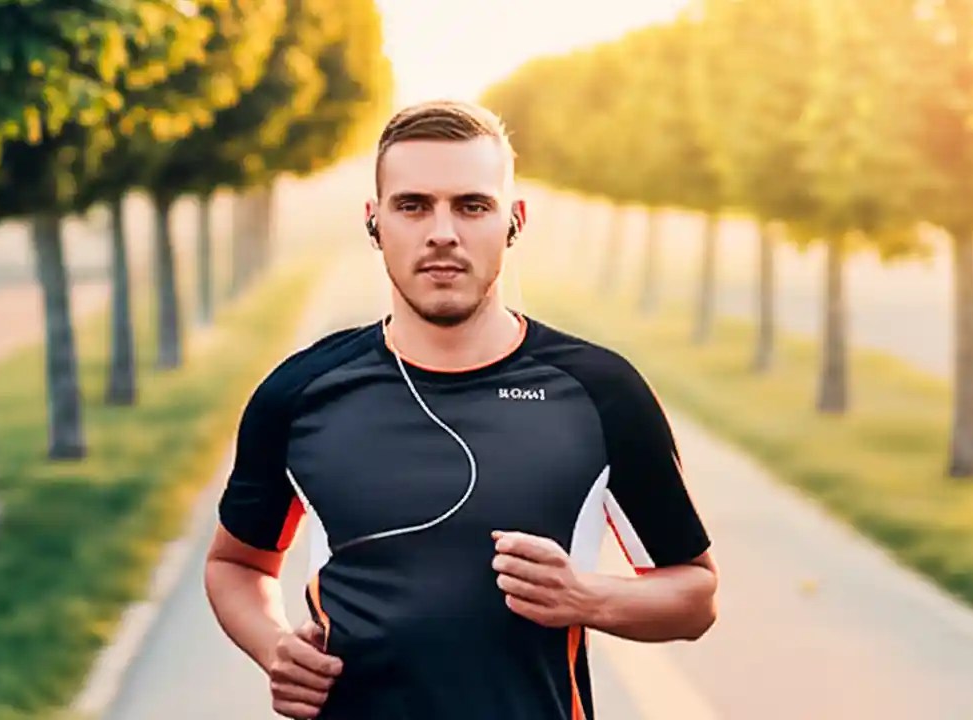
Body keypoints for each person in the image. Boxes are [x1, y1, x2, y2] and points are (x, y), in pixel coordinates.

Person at [203, 99, 719, 720]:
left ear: (514, 221)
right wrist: (276, 646)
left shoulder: (602, 392)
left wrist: (587, 597)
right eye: (413, 205)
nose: (442, 232)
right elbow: (237, 563)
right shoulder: (300, 392)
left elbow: (695, 594)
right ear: (375, 222)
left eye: (472, 205)